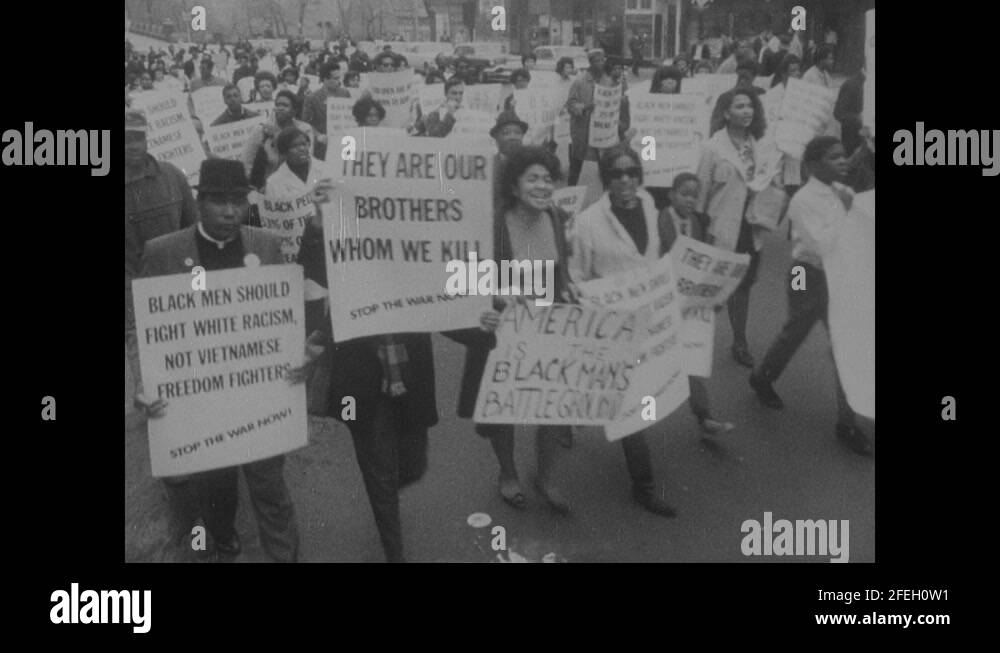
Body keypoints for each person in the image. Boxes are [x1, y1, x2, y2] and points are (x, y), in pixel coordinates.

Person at [135, 159, 302, 562]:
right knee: (216, 494)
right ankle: (224, 539)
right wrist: (144, 385)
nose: (231, 212)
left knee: (272, 496)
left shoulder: (264, 245)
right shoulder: (164, 253)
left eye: (239, 202)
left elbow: (280, 319)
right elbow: (148, 329)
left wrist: (295, 359)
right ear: (201, 202)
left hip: (259, 402)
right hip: (201, 404)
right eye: (220, 203)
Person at [297, 181, 438, 563]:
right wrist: (317, 225)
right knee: (378, 472)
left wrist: (483, 324)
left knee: (412, 464)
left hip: (410, 373)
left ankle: (392, 487)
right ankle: (394, 550)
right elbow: (313, 270)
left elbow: (449, 299)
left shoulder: (418, 249)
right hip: (359, 378)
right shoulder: (343, 244)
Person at [454, 146, 576, 512]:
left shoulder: (555, 217)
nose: (542, 186)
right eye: (533, 178)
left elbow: (561, 271)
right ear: (514, 186)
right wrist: (494, 300)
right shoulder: (490, 225)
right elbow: (464, 278)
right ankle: (508, 473)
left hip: (548, 327)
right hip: (502, 334)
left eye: (547, 179)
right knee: (502, 409)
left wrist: (569, 288)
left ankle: (546, 476)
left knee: (553, 407)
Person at [568, 144, 682, 517]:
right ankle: (644, 485)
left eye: (632, 171)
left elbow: (662, 255)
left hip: (651, 321)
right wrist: (586, 300)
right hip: (613, 326)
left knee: (645, 393)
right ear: (606, 178)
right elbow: (577, 275)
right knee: (630, 404)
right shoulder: (587, 222)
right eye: (616, 173)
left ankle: (579, 415)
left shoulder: (649, 205)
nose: (626, 180)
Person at [749, 137, 873, 457]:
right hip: (806, 273)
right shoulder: (802, 200)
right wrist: (845, 215)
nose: (843, 161)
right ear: (815, 164)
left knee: (845, 344)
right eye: (834, 157)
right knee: (795, 330)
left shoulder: (844, 193)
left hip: (840, 275)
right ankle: (763, 377)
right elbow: (818, 244)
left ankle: (846, 422)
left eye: (844, 155)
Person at [696, 88, 782, 368]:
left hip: (749, 227)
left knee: (743, 286)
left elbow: (771, 182)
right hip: (719, 229)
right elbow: (701, 194)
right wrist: (698, 233)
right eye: (740, 106)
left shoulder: (761, 146)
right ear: (725, 113)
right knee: (713, 291)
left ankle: (739, 342)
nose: (747, 111)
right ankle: (693, 340)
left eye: (750, 106)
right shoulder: (712, 148)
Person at [125, 109, 198, 410]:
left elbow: (193, 228)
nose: (133, 146)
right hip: (132, 277)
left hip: (177, 274)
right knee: (138, 336)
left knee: (184, 338)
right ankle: (146, 392)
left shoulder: (172, 176)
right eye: (126, 139)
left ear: (146, 138)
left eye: (138, 138)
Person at [658, 172, 736, 435]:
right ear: (671, 194)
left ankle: (704, 416)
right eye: (684, 193)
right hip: (663, 299)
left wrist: (712, 294)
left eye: (694, 195)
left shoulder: (696, 223)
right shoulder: (660, 219)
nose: (690, 200)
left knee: (691, 353)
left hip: (688, 302)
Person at [242, 90, 315, 191]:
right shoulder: (261, 130)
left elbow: (306, 158)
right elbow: (247, 160)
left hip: (297, 185)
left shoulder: (304, 129)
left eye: (285, 105)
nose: (280, 108)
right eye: (277, 104)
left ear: (294, 110)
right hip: (266, 187)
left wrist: (277, 135)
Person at [565, 48, 610, 186]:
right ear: (590, 62)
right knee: (577, 162)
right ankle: (570, 192)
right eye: (597, 60)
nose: (601, 63)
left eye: (603, 60)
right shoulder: (580, 81)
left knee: (606, 164)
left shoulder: (608, 80)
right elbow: (570, 104)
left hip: (602, 129)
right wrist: (584, 107)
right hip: (582, 129)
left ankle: (607, 194)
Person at [301, 61, 352, 161]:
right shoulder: (312, 97)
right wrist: (318, 135)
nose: (339, 82)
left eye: (340, 78)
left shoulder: (345, 93)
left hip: (344, 143)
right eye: (336, 79)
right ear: (325, 79)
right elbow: (305, 123)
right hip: (323, 146)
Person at [263, 127, 325, 200]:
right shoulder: (273, 183)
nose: (302, 149)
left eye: (304, 144)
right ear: (284, 152)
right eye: (295, 146)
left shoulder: (325, 168)